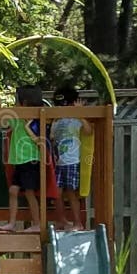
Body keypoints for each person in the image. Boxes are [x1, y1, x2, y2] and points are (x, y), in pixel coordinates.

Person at [0, 85, 43, 233]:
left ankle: (37, 224)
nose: (15, 104)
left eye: (17, 101)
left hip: (31, 159)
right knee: (13, 191)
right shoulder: (16, 118)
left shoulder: (36, 119)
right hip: (19, 161)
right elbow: (1, 123)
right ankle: (11, 223)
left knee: (29, 192)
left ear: (24, 103)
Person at [51, 85, 93, 229]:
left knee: (71, 192)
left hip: (72, 161)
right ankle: (61, 220)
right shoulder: (57, 121)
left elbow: (88, 131)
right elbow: (52, 138)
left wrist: (80, 114)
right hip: (59, 162)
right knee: (56, 192)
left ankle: (77, 222)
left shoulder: (76, 120)